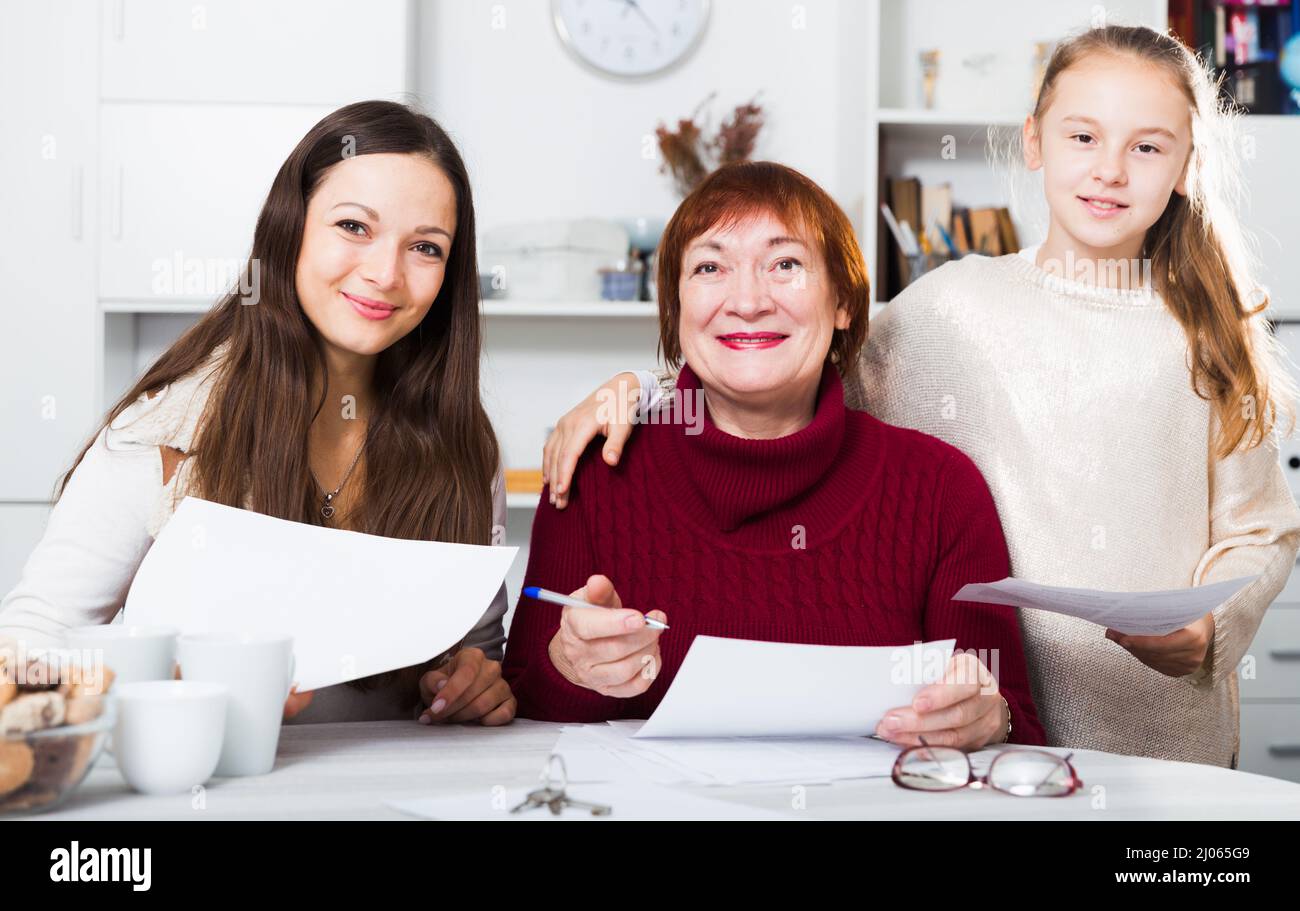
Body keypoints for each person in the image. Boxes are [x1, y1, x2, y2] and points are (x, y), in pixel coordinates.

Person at [541, 26, 1300, 766]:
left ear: (1185, 163)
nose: (1109, 170)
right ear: (1033, 142)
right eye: (1083, 138)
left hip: (1167, 741)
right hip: (986, 740)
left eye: (1146, 146)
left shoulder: (1211, 330)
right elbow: (787, 367)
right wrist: (644, 391)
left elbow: (1263, 531)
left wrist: (1211, 626)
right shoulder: (950, 308)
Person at [0, 101, 515, 727]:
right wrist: (151, 685)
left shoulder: (465, 446)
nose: (385, 274)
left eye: (426, 247)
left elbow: (481, 655)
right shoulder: (164, 432)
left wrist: (477, 683)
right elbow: (25, 652)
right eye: (354, 227)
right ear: (289, 227)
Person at [504, 160, 1047, 749]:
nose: (747, 300)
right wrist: (572, 668)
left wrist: (990, 719)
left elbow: (1013, 720)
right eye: (711, 267)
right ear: (675, 310)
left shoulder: (942, 489)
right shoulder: (594, 471)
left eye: (785, 265)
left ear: (842, 302)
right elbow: (523, 710)